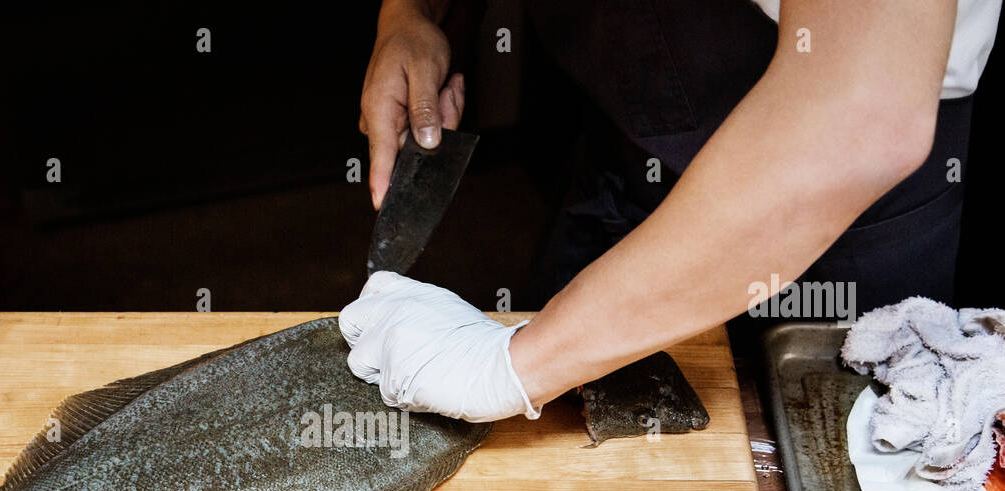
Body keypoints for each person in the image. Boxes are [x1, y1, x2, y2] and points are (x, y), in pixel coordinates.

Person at [339, 0, 1000, 423]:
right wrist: (413, 12)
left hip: (831, 220)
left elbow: (859, 116)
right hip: (626, 149)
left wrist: (507, 369)